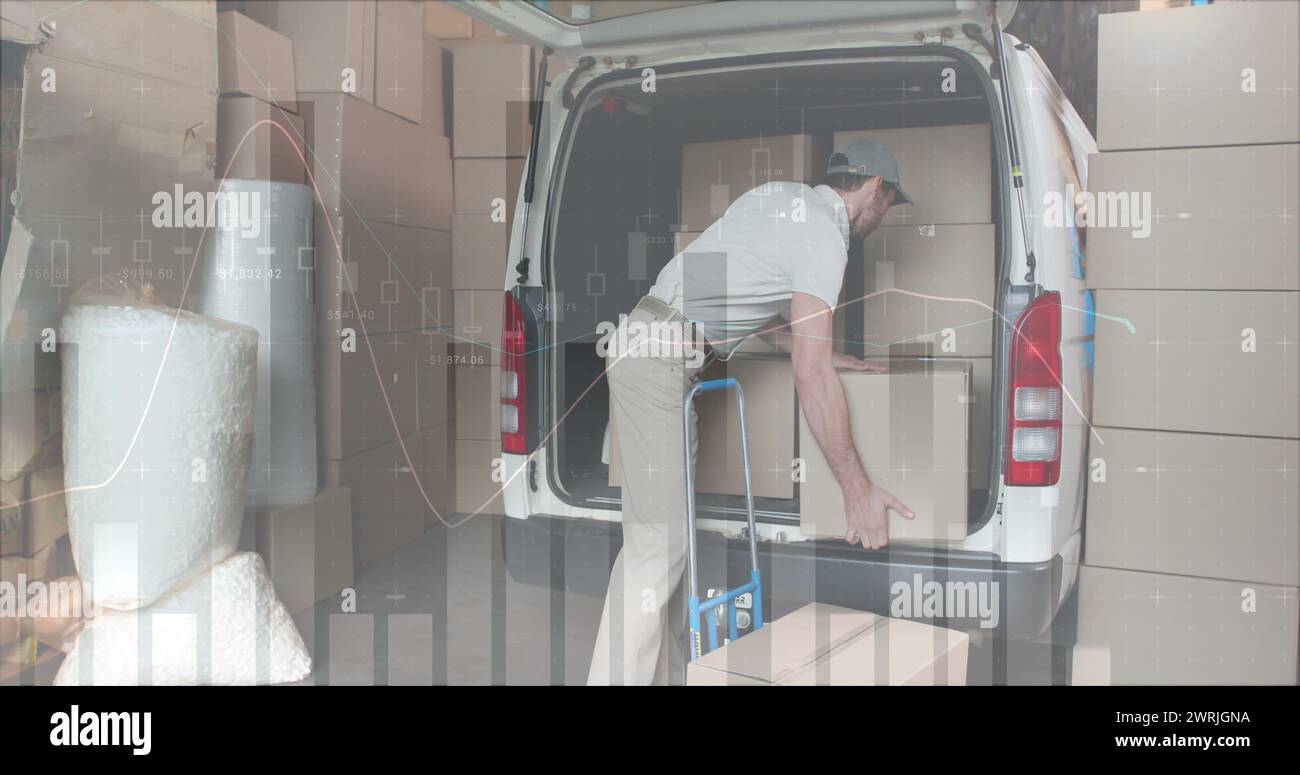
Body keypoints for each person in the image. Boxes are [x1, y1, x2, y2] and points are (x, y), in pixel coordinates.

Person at [588, 140, 916, 686]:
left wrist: (806, 347)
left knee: (670, 542)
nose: (882, 218)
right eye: (889, 204)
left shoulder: (777, 199)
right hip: (659, 360)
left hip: (658, 349)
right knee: (657, 546)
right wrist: (856, 491)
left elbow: (720, 291)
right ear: (875, 189)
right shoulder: (824, 237)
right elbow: (812, 378)